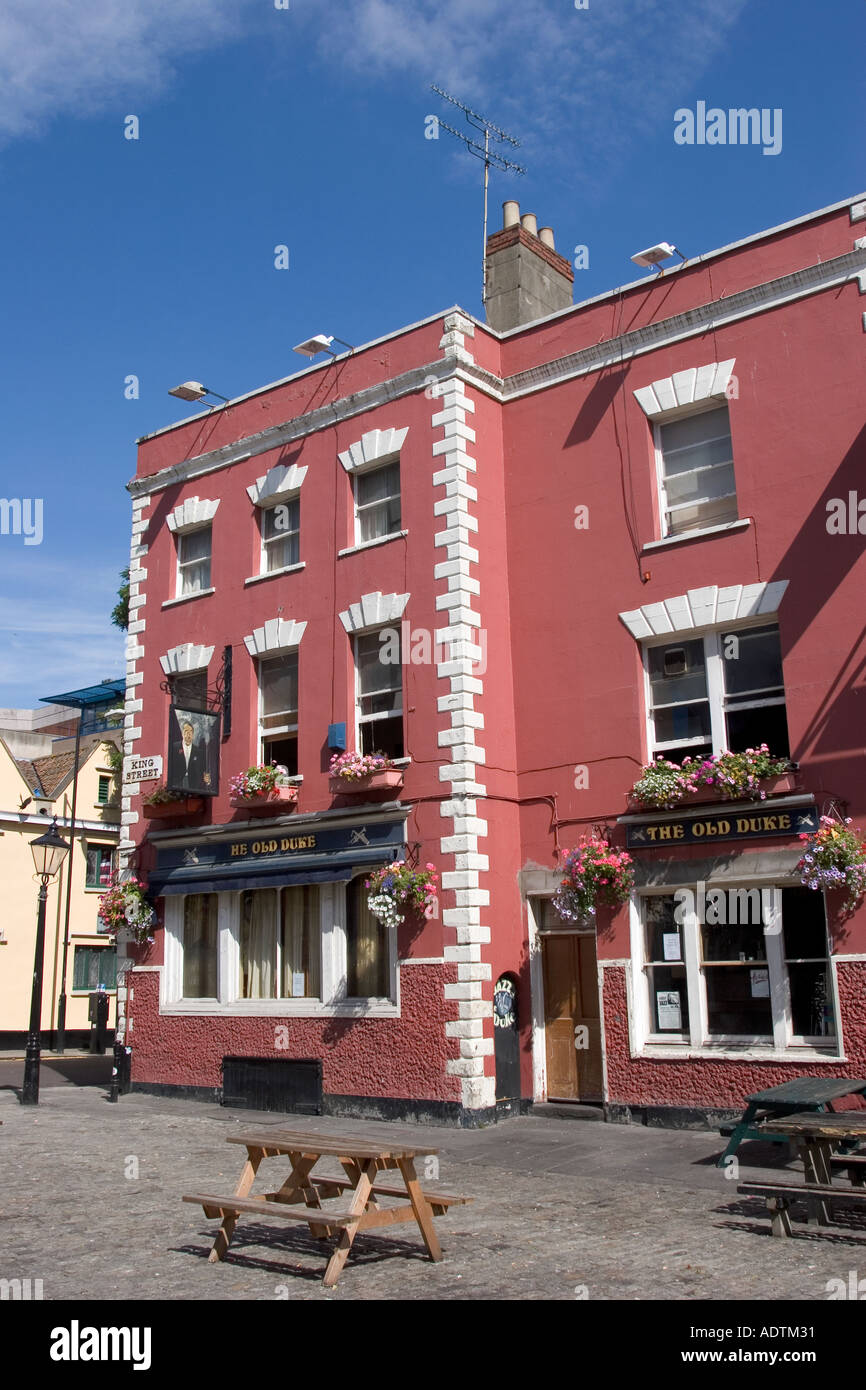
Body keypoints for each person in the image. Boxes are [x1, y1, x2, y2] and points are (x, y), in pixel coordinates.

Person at [172, 719, 212, 792]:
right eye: (186, 731)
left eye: (191, 732)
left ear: (193, 734)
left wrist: (207, 780)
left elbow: (202, 770)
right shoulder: (175, 747)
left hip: (193, 785)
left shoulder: (198, 752)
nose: (188, 734)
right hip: (177, 783)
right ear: (182, 733)